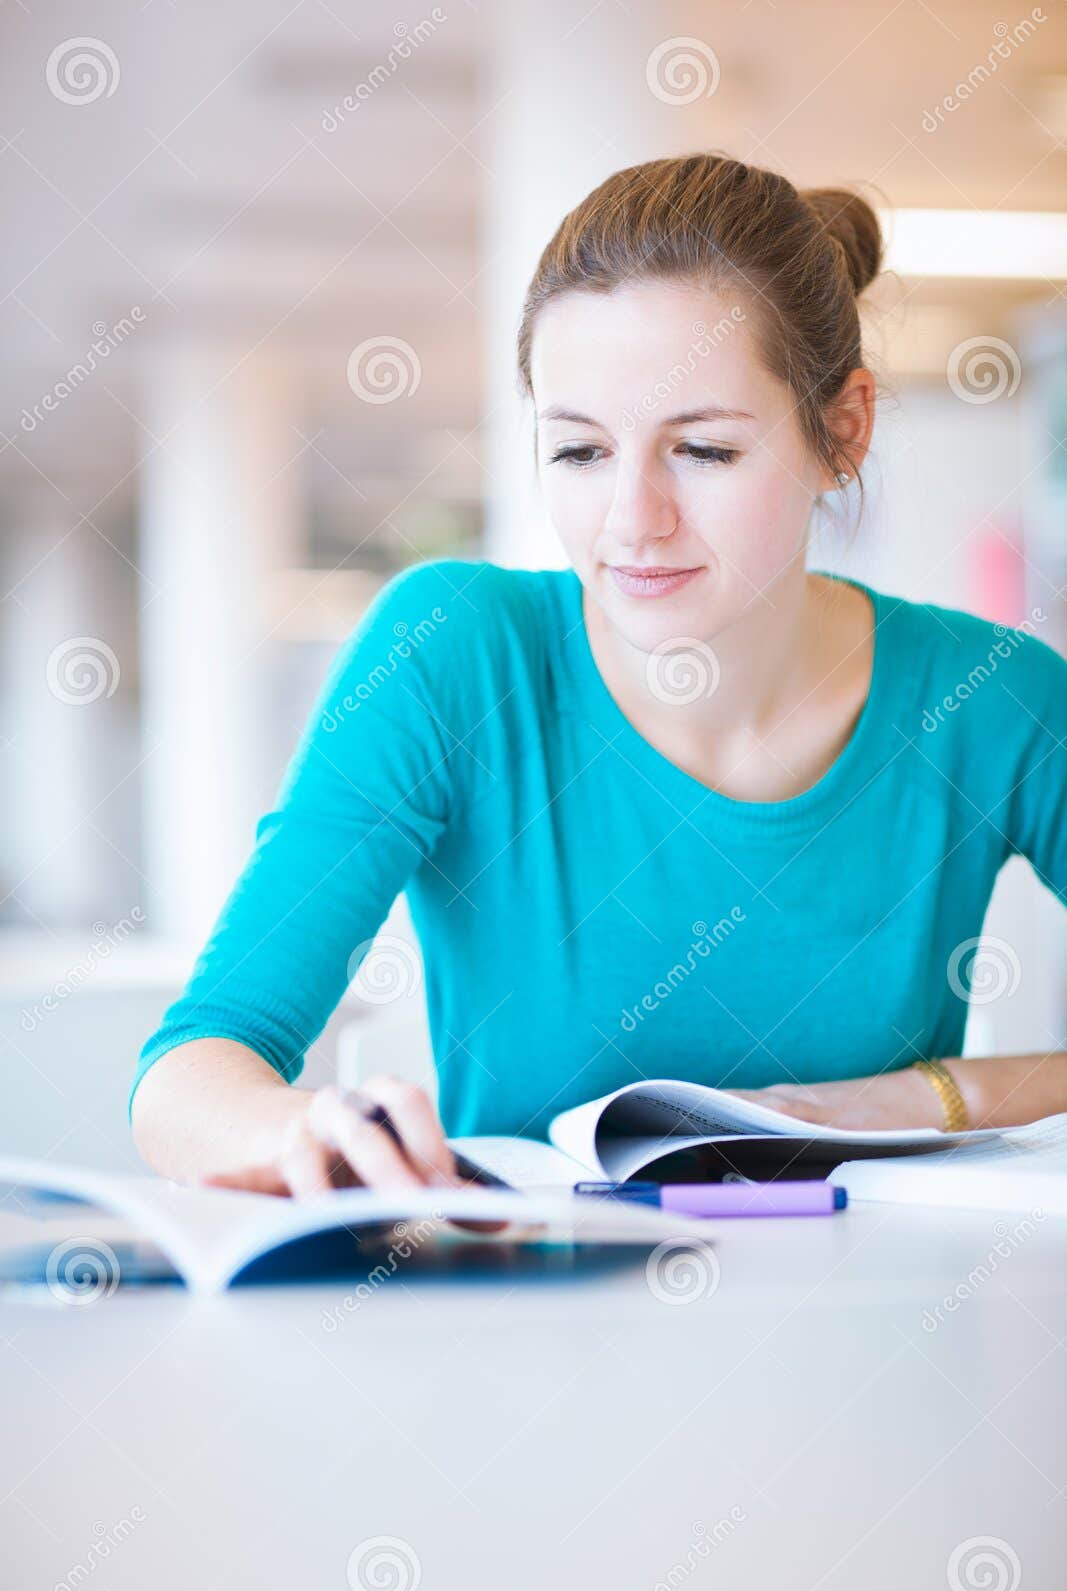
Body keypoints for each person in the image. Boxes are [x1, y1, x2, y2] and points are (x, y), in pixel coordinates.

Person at [130, 151, 1067, 1197]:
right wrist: (303, 1126)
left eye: (702, 451)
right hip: (532, 1332)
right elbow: (186, 1077)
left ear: (840, 428)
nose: (631, 521)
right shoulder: (455, 653)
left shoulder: (988, 698)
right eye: (578, 452)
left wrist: (934, 1094)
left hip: (884, 1329)